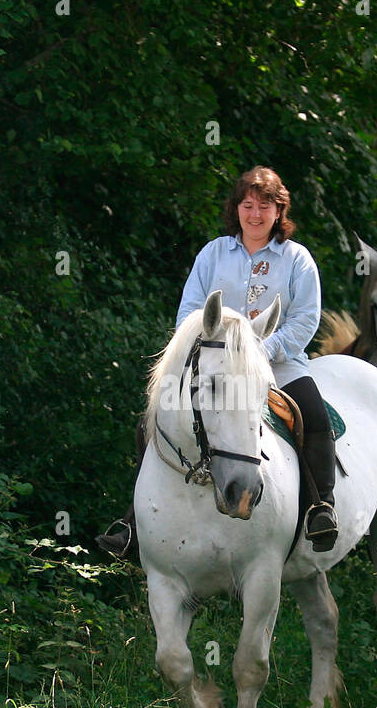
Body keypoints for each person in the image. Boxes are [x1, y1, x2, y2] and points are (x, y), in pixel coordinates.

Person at [97, 166, 338, 558]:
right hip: (212, 365)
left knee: (314, 415)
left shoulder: (297, 259)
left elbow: (306, 318)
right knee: (154, 417)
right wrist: (211, 351)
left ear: (280, 211)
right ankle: (136, 522)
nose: (255, 214)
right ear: (237, 208)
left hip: (279, 365)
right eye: (248, 204)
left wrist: (262, 351)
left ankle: (319, 506)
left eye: (265, 206)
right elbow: (189, 312)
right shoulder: (213, 253)